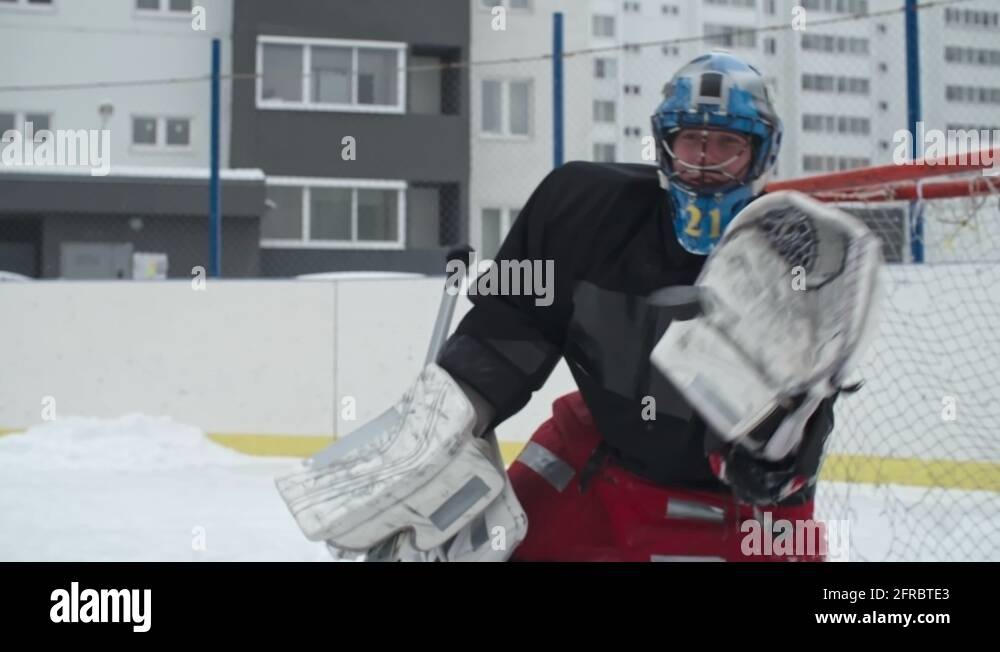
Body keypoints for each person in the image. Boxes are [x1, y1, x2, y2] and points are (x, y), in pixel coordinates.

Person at [277, 51, 873, 562]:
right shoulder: (587, 210)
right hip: (598, 455)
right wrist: (448, 417)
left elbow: (799, 415)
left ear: (761, 153)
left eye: (727, 145)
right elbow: (514, 322)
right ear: (665, 145)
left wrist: (776, 462)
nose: (706, 162)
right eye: (691, 140)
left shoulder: (798, 258)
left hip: (734, 509)